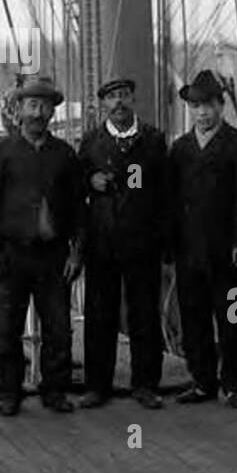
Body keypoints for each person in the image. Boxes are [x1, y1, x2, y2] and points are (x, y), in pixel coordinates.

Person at [0, 77, 84, 416]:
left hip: (53, 255)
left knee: (58, 328)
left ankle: (54, 390)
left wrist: (76, 251)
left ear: (53, 111)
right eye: (32, 105)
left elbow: (78, 208)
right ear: (19, 110)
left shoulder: (65, 155)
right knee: (6, 328)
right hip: (11, 253)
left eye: (45, 106)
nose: (39, 112)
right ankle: (10, 391)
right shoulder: (0, 153)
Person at [77, 78, 170, 410]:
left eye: (124, 96)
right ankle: (97, 385)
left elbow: (164, 191)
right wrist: (90, 180)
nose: (119, 102)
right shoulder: (91, 142)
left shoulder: (153, 140)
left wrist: (162, 239)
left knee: (144, 314)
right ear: (103, 104)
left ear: (134, 99)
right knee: (99, 315)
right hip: (102, 242)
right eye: (112, 97)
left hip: (142, 241)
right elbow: (76, 187)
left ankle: (145, 384)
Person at [167, 70, 237, 408]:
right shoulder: (180, 149)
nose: (202, 113)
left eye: (208, 105)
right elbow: (171, 200)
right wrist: (171, 243)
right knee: (193, 316)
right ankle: (202, 380)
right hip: (189, 247)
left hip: (225, 248)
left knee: (230, 317)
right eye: (196, 106)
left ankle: (235, 385)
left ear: (221, 106)